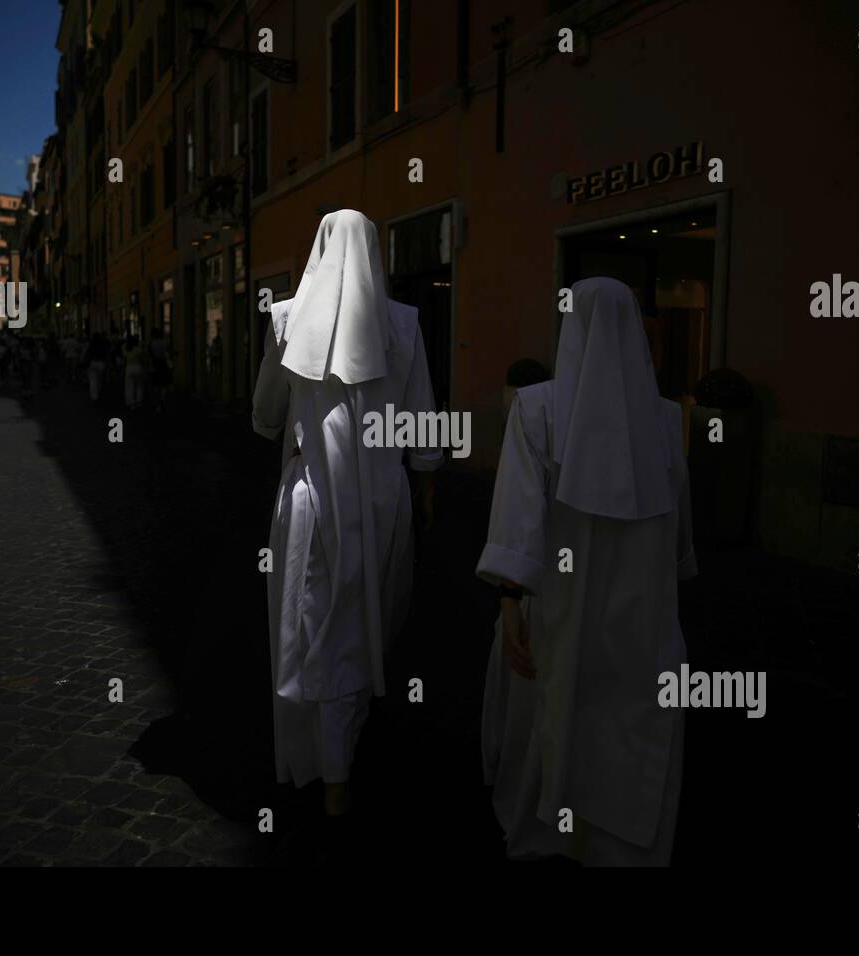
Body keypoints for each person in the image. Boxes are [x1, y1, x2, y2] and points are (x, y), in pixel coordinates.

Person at [477, 276, 697, 866]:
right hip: (641, 609)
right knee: (626, 728)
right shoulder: (667, 420)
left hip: (559, 604)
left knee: (555, 716)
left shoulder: (536, 408)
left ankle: (553, 828)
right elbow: (676, 529)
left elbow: (518, 520)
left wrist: (508, 599)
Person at [252, 209, 441, 822]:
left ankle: (322, 758)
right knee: (362, 623)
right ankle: (339, 759)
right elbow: (423, 429)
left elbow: (265, 414)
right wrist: (426, 495)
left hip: (310, 497)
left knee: (310, 625)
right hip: (384, 496)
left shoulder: (285, 319)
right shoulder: (405, 324)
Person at [87, 332, 108, 403]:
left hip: (93, 362)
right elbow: (105, 353)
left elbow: (88, 353)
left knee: (93, 381)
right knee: (100, 379)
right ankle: (99, 392)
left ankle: (94, 397)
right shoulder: (102, 344)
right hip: (101, 363)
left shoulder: (91, 344)